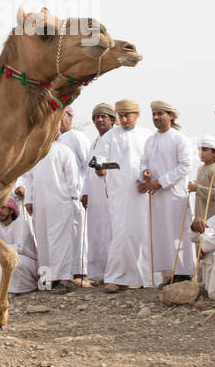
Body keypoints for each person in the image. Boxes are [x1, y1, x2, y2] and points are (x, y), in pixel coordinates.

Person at [95, 99, 152, 292]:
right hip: (119, 192)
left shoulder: (147, 135)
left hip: (142, 192)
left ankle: (146, 277)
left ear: (137, 115)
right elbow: (99, 159)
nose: (124, 119)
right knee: (122, 232)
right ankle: (117, 277)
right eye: (121, 115)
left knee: (144, 232)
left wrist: (148, 174)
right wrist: (100, 169)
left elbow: (152, 161)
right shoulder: (110, 136)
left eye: (128, 115)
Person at [139, 100, 196, 285]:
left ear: (170, 116)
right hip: (156, 198)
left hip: (175, 195)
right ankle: (170, 272)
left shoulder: (180, 139)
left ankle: (185, 273)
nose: (156, 118)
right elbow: (143, 161)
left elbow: (185, 165)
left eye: (160, 114)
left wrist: (161, 182)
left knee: (179, 234)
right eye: (154, 114)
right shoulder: (150, 140)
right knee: (161, 234)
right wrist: (145, 172)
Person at [23, 133, 84, 291]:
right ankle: (46, 279)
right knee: (42, 240)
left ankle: (64, 279)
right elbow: (29, 178)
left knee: (60, 240)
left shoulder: (64, 151)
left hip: (61, 202)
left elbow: (73, 179)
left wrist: (73, 196)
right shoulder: (34, 152)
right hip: (40, 203)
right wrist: (28, 199)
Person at [83, 103, 118, 286]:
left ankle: (113, 274)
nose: (99, 120)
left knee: (110, 233)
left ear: (112, 119)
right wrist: (85, 192)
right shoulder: (95, 141)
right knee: (97, 233)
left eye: (103, 116)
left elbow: (121, 164)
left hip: (110, 193)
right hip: (95, 196)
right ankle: (99, 274)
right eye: (96, 117)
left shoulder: (117, 138)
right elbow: (87, 170)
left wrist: (105, 169)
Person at [56, 105, 91, 281]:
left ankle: (81, 271)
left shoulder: (77, 137)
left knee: (79, 232)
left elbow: (88, 164)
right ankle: (66, 272)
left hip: (76, 194)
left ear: (69, 118)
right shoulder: (54, 141)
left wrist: (83, 190)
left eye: (61, 116)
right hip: (58, 197)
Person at [0, 198, 38, 295]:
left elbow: (20, 247)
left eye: (3, 208)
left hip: (27, 259)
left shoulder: (21, 223)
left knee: (11, 260)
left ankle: (18, 289)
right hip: (5, 254)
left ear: (11, 210)